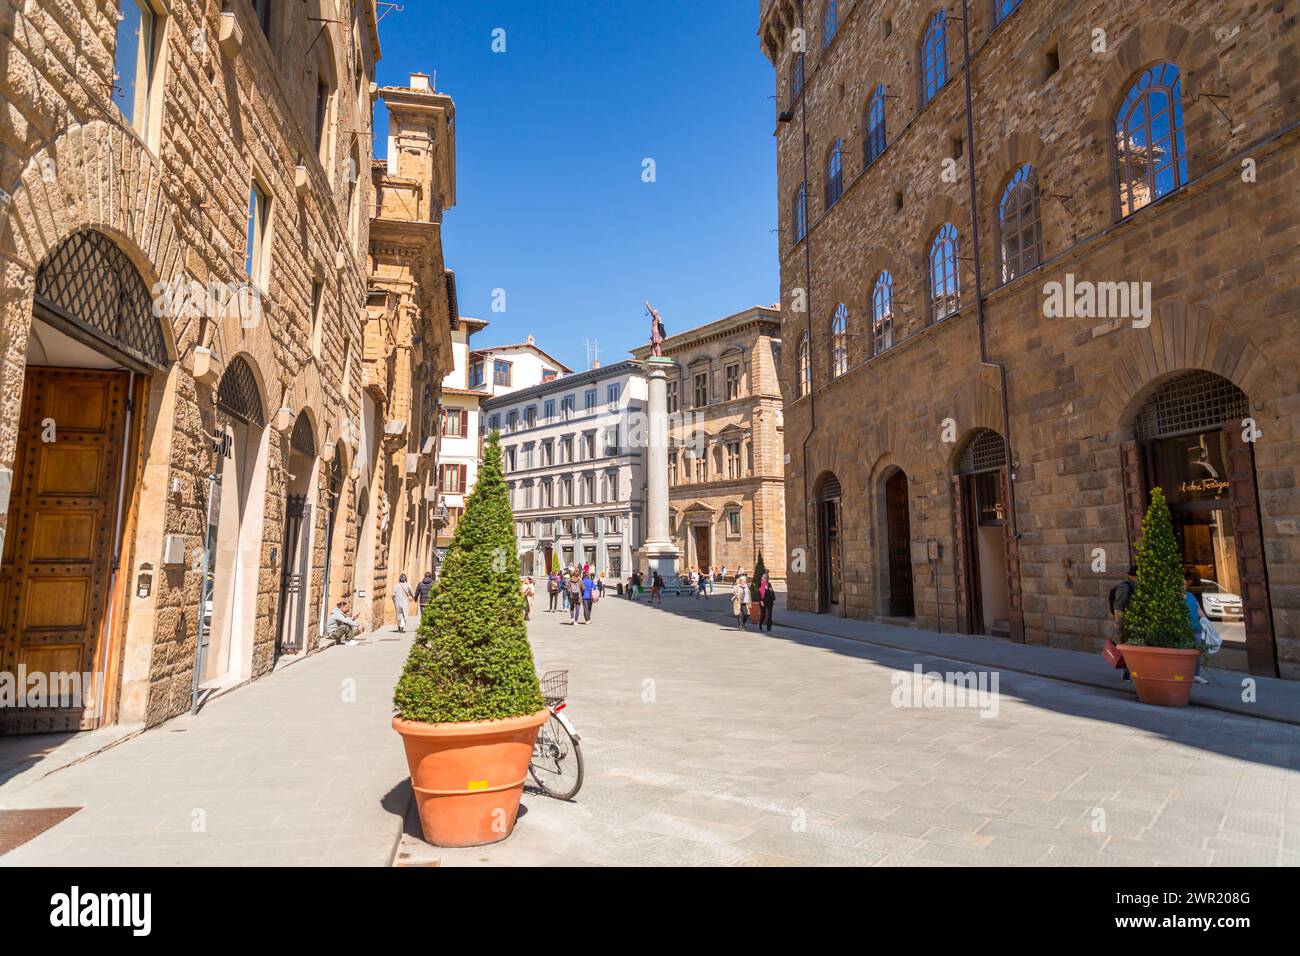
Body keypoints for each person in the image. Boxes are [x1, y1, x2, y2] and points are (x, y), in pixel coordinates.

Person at [1108, 565, 1138, 681]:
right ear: (1133, 576)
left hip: (1134, 622)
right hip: (1126, 623)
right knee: (1127, 647)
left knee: (1132, 647)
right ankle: (1126, 672)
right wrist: (1118, 623)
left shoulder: (1135, 586)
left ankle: (1131, 671)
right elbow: (1118, 606)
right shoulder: (1125, 587)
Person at [1184, 572, 1209, 684]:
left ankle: (1195, 675)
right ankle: (1186, 673)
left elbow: (1198, 609)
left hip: (1196, 627)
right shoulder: (1174, 597)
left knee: (1197, 651)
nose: (1184, 586)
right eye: (1181, 584)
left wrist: (1205, 621)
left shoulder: (1190, 595)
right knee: (1185, 652)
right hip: (1184, 629)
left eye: (1185, 584)